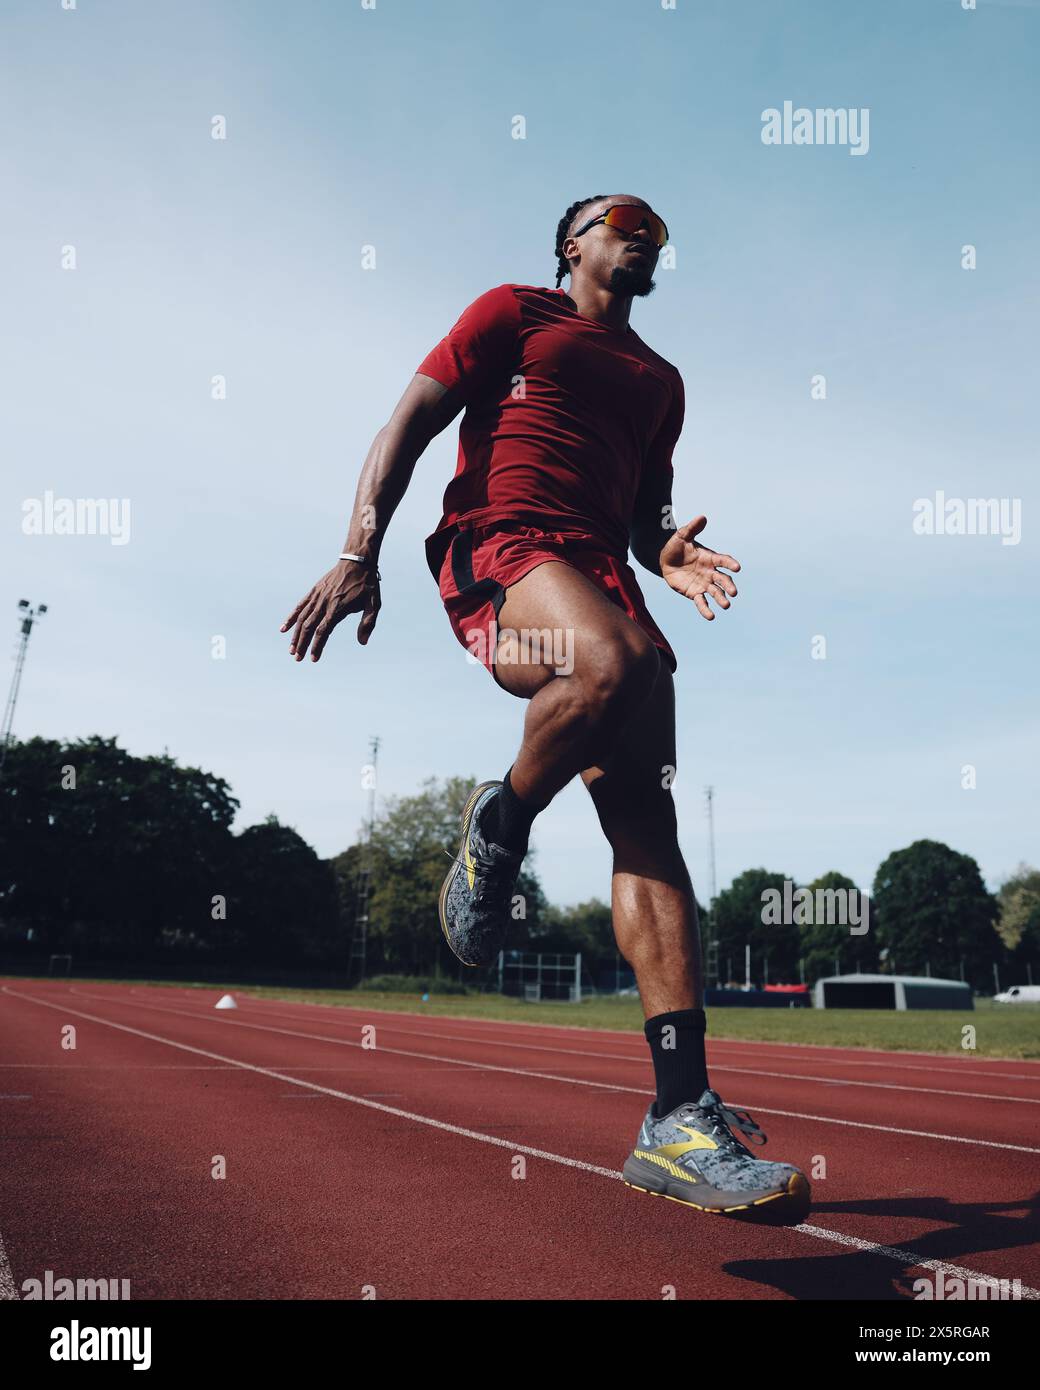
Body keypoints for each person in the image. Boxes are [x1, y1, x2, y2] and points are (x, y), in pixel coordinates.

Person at [282, 194, 810, 1217]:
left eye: (659, 226)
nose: (643, 232)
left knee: (648, 824)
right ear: (572, 244)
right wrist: (359, 552)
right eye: (622, 218)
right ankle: (499, 825)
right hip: (506, 547)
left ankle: (677, 1115)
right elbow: (406, 422)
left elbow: (643, 513)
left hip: (599, 577)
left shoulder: (661, 381)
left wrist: (668, 550)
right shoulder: (511, 314)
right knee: (610, 666)